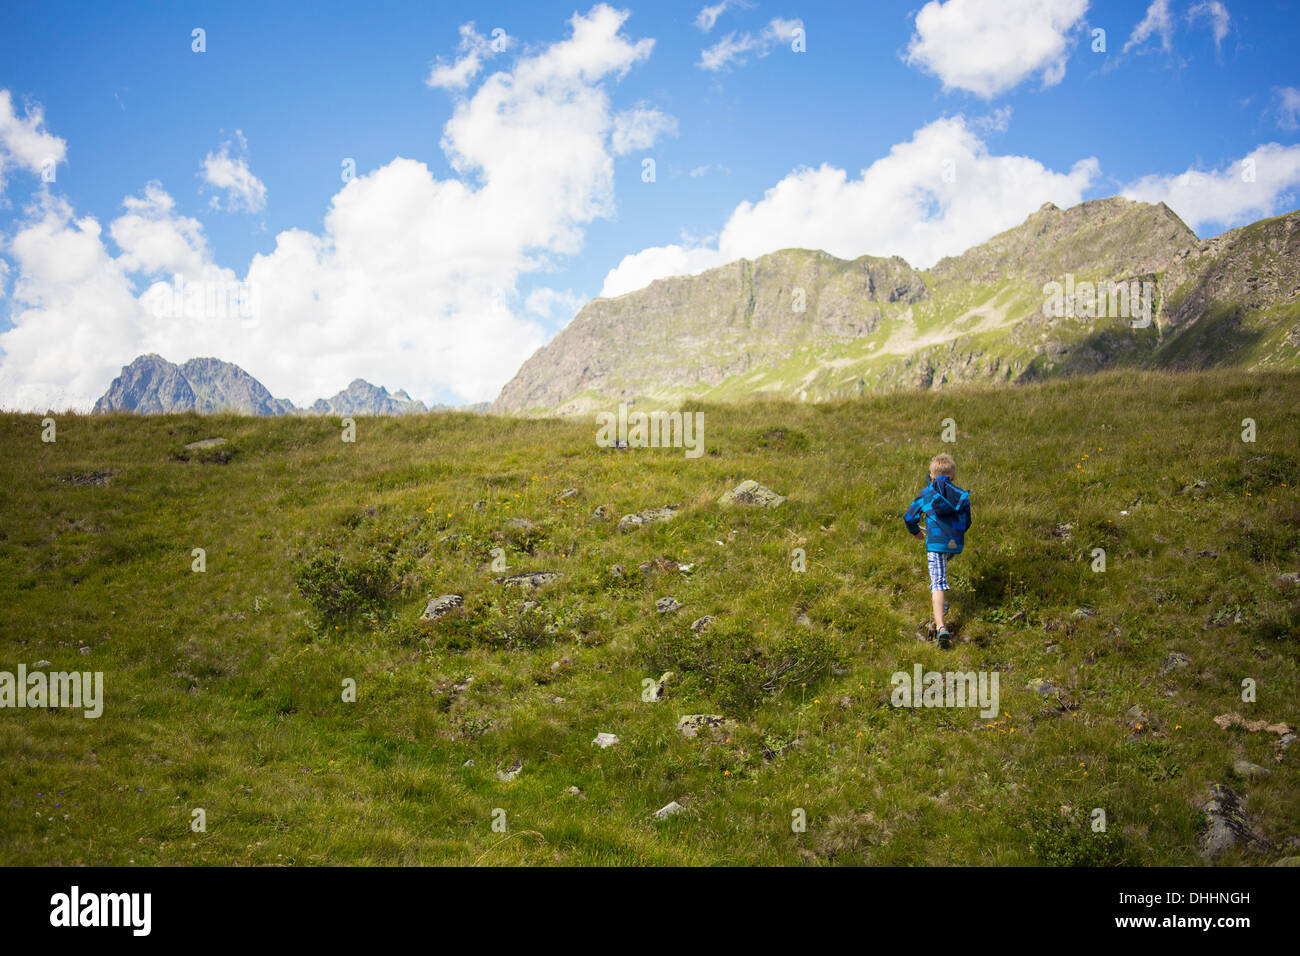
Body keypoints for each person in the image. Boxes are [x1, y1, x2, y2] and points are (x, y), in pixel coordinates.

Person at [902, 453, 972, 649]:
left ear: (931, 475)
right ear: (953, 476)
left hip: (935, 544)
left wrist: (916, 532)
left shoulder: (927, 493)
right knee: (941, 570)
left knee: (938, 582)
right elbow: (967, 522)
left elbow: (909, 517)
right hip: (955, 545)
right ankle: (943, 606)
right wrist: (955, 535)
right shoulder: (961, 496)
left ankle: (941, 627)